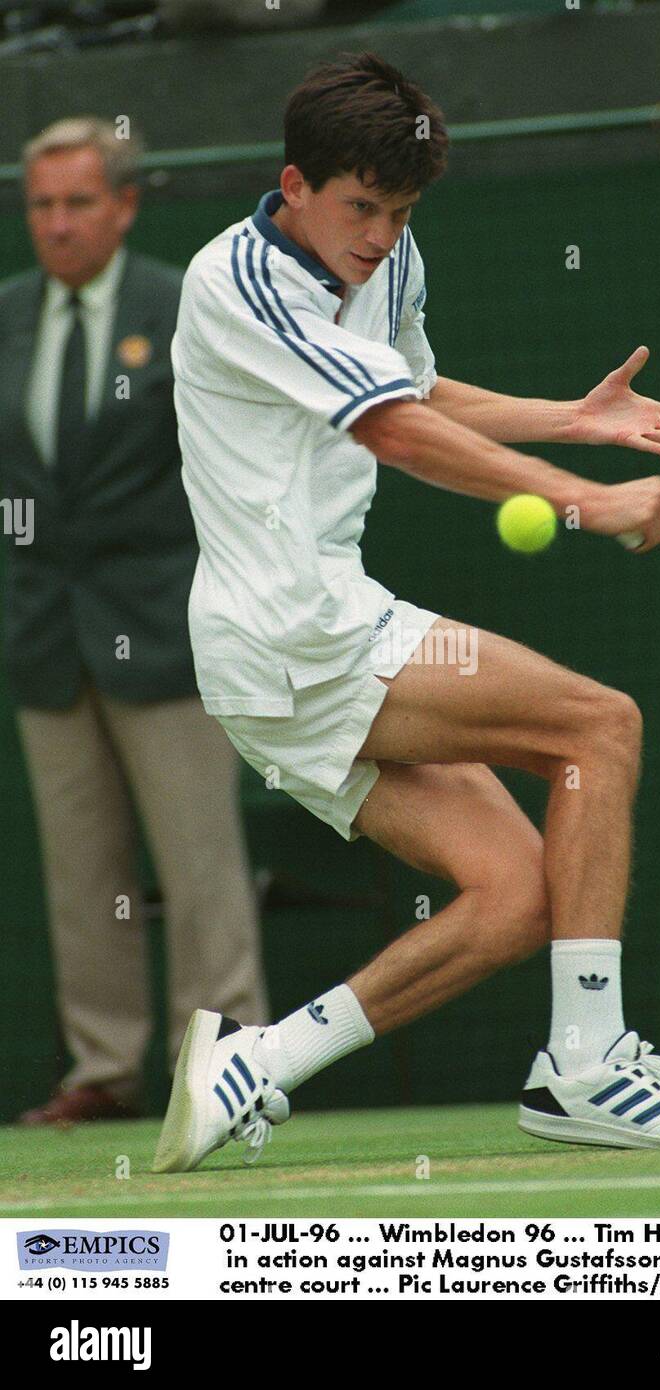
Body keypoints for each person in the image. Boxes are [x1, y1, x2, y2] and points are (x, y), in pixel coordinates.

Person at [154, 51, 660, 1172]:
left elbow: (414, 389)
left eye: (401, 210)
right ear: (293, 185)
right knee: (597, 724)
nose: (377, 235)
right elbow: (392, 431)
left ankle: (255, 1065)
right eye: (358, 208)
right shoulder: (232, 281)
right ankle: (584, 1063)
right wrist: (586, 501)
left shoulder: (388, 256)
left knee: (518, 894)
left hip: (309, 633)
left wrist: (567, 423)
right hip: (296, 636)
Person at [2, 117, 268, 1125]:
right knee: (82, 875)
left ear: (123, 204)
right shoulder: (8, 315)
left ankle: (227, 1067)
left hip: (168, 630)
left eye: (78, 203)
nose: (58, 224)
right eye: (41, 205)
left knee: (200, 863)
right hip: (45, 640)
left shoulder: (178, 307)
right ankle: (104, 1069)